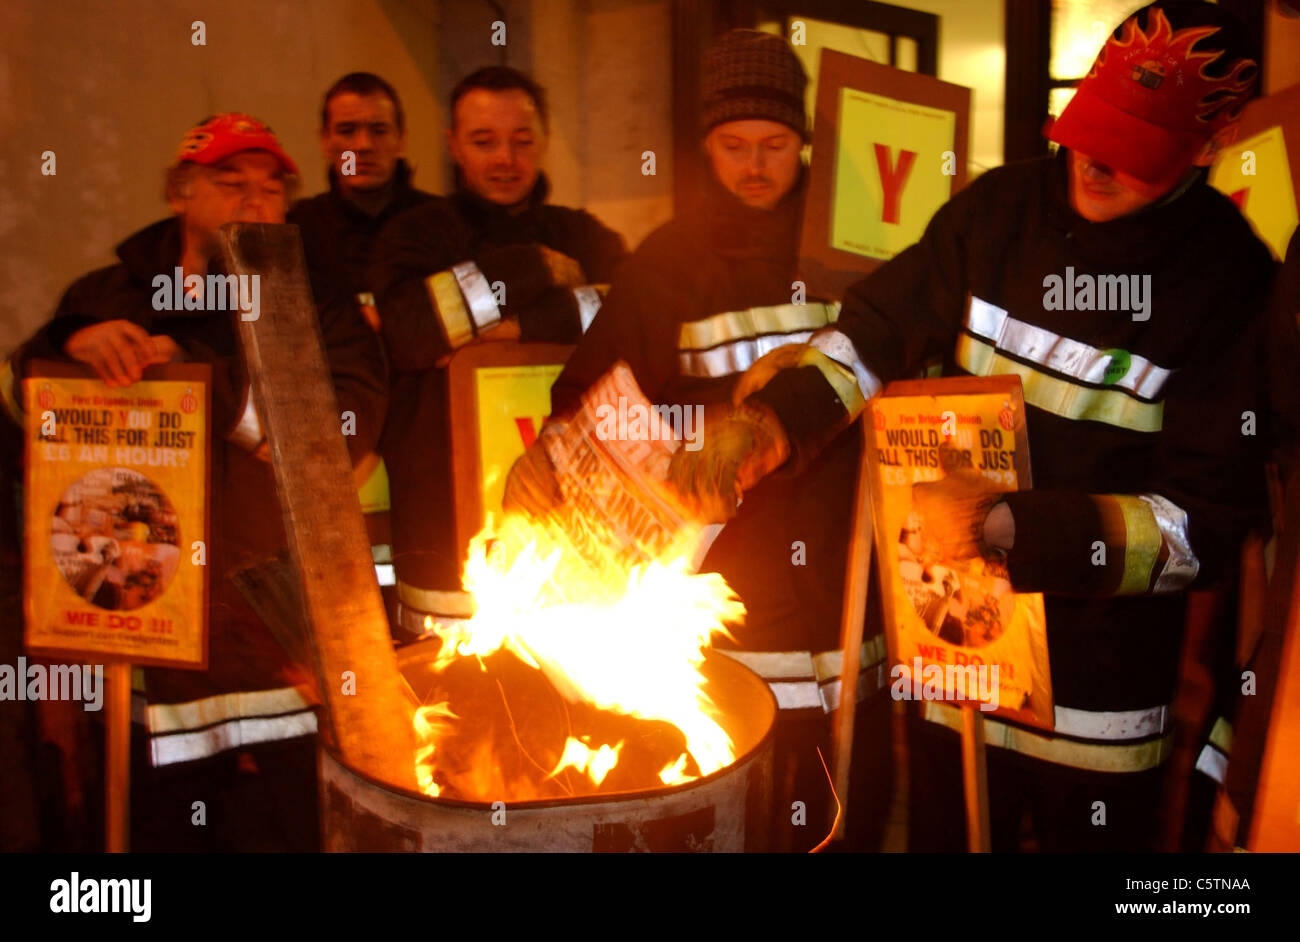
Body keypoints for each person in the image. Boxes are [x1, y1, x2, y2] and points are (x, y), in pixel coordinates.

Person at [668, 2, 1276, 851]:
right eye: (1092, 128)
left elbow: (1199, 528)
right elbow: (875, 331)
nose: (1095, 162)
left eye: (1135, 150)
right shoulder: (998, 212)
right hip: (951, 666)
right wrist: (777, 422)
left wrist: (1015, 527)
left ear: (1209, 148)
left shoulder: (1234, 284)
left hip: (1095, 708)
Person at [506, 30, 894, 852]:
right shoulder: (669, 261)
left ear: (805, 143)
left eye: (775, 145)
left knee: (845, 801)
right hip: (723, 591)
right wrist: (720, 411)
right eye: (733, 146)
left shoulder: (855, 259)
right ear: (705, 146)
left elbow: (903, 377)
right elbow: (591, 400)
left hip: (845, 575)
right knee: (733, 798)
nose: (755, 166)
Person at [1, 113, 389, 851]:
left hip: (276, 657)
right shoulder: (104, 291)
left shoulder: (314, 300)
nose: (256, 201)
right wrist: (61, 350)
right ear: (180, 192)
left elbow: (341, 433)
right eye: (229, 182)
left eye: (273, 187)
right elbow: (21, 419)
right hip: (140, 664)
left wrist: (207, 385)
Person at [371, 66, 626, 634]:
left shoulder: (585, 236)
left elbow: (633, 320)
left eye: (522, 140)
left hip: (573, 529)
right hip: (445, 543)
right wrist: (534, 267)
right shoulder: (415, 235)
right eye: (484, 141)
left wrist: (510, 328)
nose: (505, 158)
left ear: (545, 142)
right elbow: (411, 333)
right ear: (453, 145)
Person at [287, 72, 434, 331]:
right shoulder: (296, 229)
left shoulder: (442, 223)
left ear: (401, 139)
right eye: (347, 130)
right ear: (325, 141)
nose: (363, 145)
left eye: (378, 130)